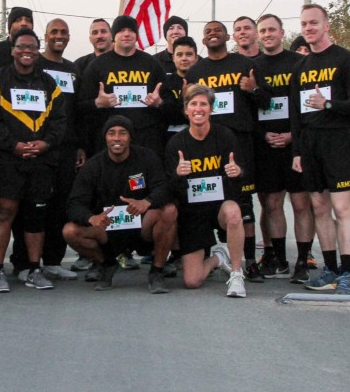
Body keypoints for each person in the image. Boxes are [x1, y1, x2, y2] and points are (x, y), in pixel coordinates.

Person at [0, 28, 66, 292]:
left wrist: (45, 144)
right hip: (6, 160)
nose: (27, 51)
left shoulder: (50, 84)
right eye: (21, 47)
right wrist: (14, 146)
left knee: (36, 217)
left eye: (32, 47)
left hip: (40, 161)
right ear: (12, 50)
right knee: (4, 213)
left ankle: (33, 269)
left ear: (38, 51)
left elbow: (59, 121)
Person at [289, 4, 350, 294]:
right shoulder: (300, 68)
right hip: (310, 143)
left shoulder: (345, 60)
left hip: (337, 140)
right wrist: (296, 151)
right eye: (304, 24)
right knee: (319, 206)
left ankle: (347, 271)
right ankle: (331, 269)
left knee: (341, 207)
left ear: (326, 26)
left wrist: (329, 105)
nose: (309, 28)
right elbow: (295, 115)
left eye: (314, 23)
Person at [64, 115, 177, 292]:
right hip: (108, 227)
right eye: (111, 133)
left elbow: (164, 187)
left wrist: (146, 202)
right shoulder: (93, 166)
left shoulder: (147, 157)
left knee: (169, 211)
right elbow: (74, 204)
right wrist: (91, 218)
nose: (117, 138)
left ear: (130, 137)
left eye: (122, 133)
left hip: (141, 225)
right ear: (105, 138)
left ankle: (157, 271)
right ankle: (107, 264)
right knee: (70, 231)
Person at [188, 20, 262, 280]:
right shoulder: (196, 71)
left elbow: (264, 100)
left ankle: (249, 261)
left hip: (240, 143)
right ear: (203, 39)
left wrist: (254, 90)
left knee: (244, 203)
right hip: (209, 145)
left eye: (217, 30)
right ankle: (211, 255)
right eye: (208, 32)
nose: (212, 34)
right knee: (206, 198)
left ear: (227, 36)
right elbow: (188, 109)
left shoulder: (244, 64)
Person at [167, 83, 248, 297]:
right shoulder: (176, 143)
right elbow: (170, 187)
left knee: (233, 213)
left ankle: (237, 275)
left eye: (203, 104)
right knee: (192, 281)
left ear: (211, 109)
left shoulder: (226, 136)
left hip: (221, 205)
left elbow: (241, 173)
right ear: (186, 110)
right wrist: (178, 174)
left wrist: (236, 171)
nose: (198, 108)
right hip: (193, 212)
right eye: (193, 104)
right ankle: (219, 257)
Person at [251, 14, 311, 280]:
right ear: (258, 35)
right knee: (273, 203)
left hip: (294, 144)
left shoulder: (299, 62)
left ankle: (302, 261)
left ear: (282, 32)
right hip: (266, 146)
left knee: (300, 204)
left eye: (272, 29)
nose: (267, 34)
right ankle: (279, 259)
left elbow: (308, 107)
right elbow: (248, 112)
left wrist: (291, 136)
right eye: (262, 30)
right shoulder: (252, 67)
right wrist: (264, 136)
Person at [34, 18, 85, 280]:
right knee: (36, 205)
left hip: (66, 148)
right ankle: (28, 262)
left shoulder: (73, 69)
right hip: (39, 147)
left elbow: (75, 112)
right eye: (54, 31)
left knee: (60, 204)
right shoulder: (36, 64)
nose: (59, 36)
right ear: (45, 36)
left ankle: (53, 260)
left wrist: (78, 145)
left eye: (64, 32)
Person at [77, 15, 167, 157]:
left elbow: (172, 105)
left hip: (145, 140)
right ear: (114, 35)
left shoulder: (152, 64)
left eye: (131, 30)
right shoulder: (97, 65)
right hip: (110, 143)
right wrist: (97, 103)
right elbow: (80, 106)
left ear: (136, 35)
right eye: (121, 30)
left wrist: (160, 103)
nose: (126, 34)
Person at [0, 6, 34, 73]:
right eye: (18, 20)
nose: (24, 23)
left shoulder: (37, 57)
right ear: (10, 26)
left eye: (28, 20)